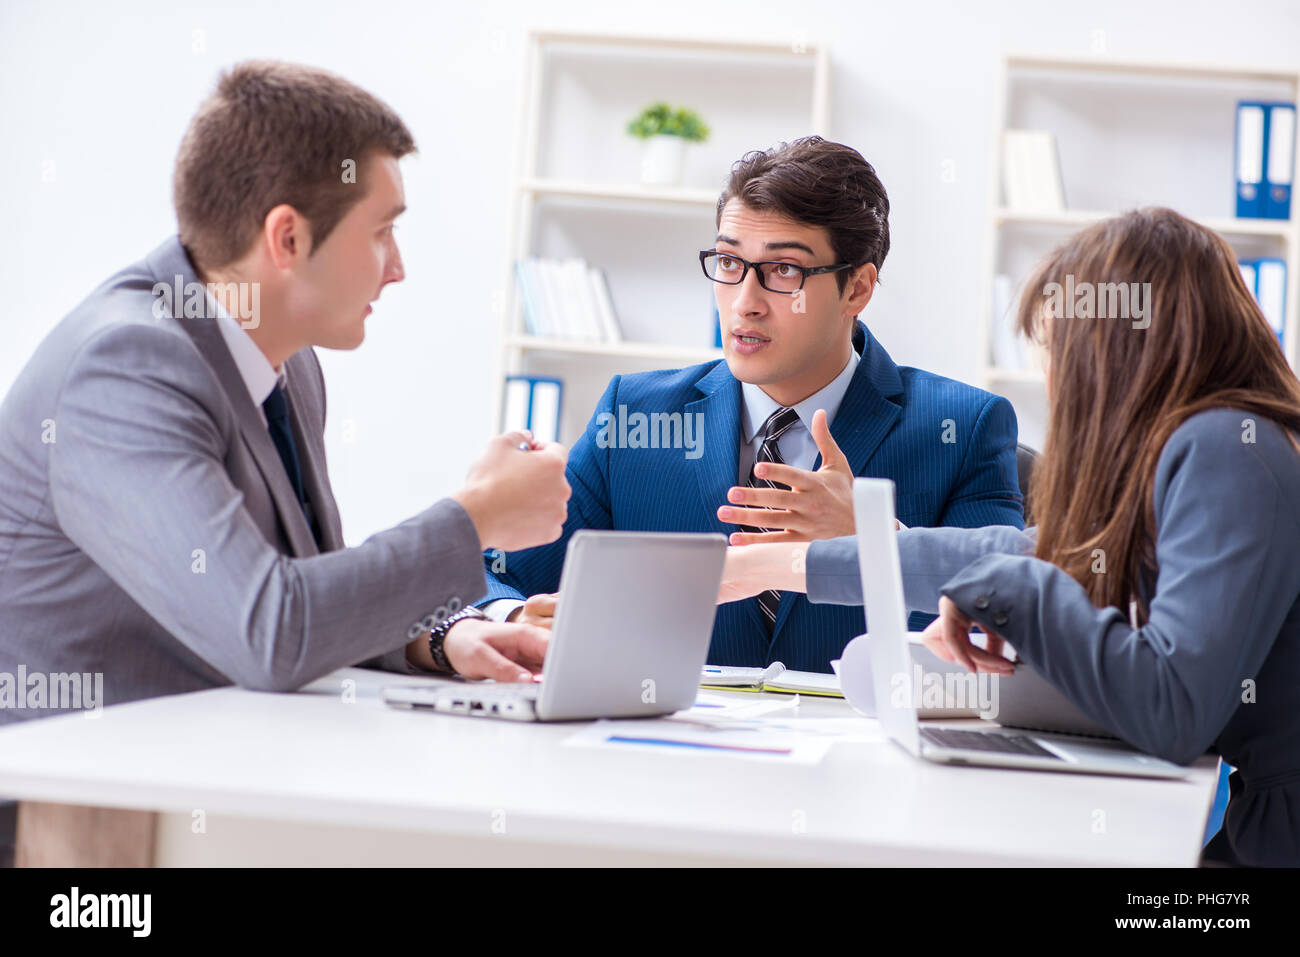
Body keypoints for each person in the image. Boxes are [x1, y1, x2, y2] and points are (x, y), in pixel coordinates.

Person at [719, 207, 1300, 867]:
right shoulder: (1221, 442)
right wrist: (782, 563)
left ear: (1122, 352)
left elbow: (1172, 707)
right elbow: (1015, 554)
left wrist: (1010, 589)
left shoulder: (1225, 447)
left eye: (1059, 353)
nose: (1057, 384)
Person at [0, 60, 573, 721]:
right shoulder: (125, 367)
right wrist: (475, 518)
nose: (399, 268)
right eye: (383, 230)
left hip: (201, 762)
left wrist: (437, 638)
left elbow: (305, 594)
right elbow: (270, 630)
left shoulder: (286, 362)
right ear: (288, 238)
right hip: (60, 801)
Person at [475, 137, 1023, 673]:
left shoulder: (965, 427)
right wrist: (520, 617)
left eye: (784, 270)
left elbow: (1003, 630)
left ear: (856, 289)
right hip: (666, 743)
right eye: (729, 262)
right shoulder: (635, 413)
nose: (745, 303)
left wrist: (878, 545)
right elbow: (493, 573)